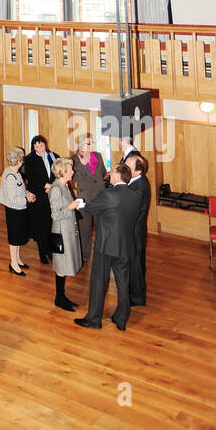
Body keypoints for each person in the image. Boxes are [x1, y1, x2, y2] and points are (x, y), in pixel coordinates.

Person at [75, 163, 141, 332]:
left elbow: (89, 208)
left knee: (99, 281)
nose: (110, 174)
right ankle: (121, 319)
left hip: (106, 245)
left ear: (118, 176)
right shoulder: (135, 195)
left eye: (112, 172)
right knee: (123, 283)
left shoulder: (109, 194)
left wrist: (79, 203)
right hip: (126, 245)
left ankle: (93, 319)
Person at [48, 158, 84, 311]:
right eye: (70, 169)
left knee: (64, 265)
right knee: (61, 266)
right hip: (62, 233)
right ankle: (59, 297)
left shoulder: (64, 185)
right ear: (63, 172)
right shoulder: (56, 189)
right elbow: (55, 215)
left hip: (68, 230)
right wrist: (71, 206)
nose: (73, 172)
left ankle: (61, 296)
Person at [72, 132, 107, 264]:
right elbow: (74, 178)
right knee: (85, 230)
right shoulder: (75, 159)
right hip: (85, 199)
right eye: (88, 143)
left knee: (101, 228)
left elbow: (102, 172)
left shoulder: (97, 155)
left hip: (99, 197)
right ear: (81, 144)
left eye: (92, 142)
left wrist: (107, 175)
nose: (91, 145)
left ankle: (101, 253)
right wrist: (82, 164)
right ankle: (84, 256)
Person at [23, 133, 56, 264]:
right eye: (36, 146)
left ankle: (50, 250)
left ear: (45, 145)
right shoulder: (30, 159)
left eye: (41, 145)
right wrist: (45, 185)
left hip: (51, 194)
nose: (39, 148)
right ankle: (43, 252)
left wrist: (52, 185)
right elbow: (31, 178)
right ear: (33, 148)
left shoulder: (52, 156)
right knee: (41, 226)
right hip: (38, 196)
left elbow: (57, 172)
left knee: (50, 224)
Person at [0, 147, 30, 275]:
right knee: (14, 237)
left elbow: (20, 189)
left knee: (18, 237)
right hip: (14, 211)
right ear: (18, 161)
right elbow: (12, 198)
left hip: (19, 209)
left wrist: (26, 194)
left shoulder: (15, 172)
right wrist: (26, 199)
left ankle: (17, 259)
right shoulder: (10, 176)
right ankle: (13, 263)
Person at [124, 152, 150, 306]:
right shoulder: (135, 182)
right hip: (135, 231)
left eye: (128, 166)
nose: (125, 167)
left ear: (137, 170)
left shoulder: (137, 187)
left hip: (134, 233)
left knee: (135, 266)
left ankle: (137, 298)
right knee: (136, 265)